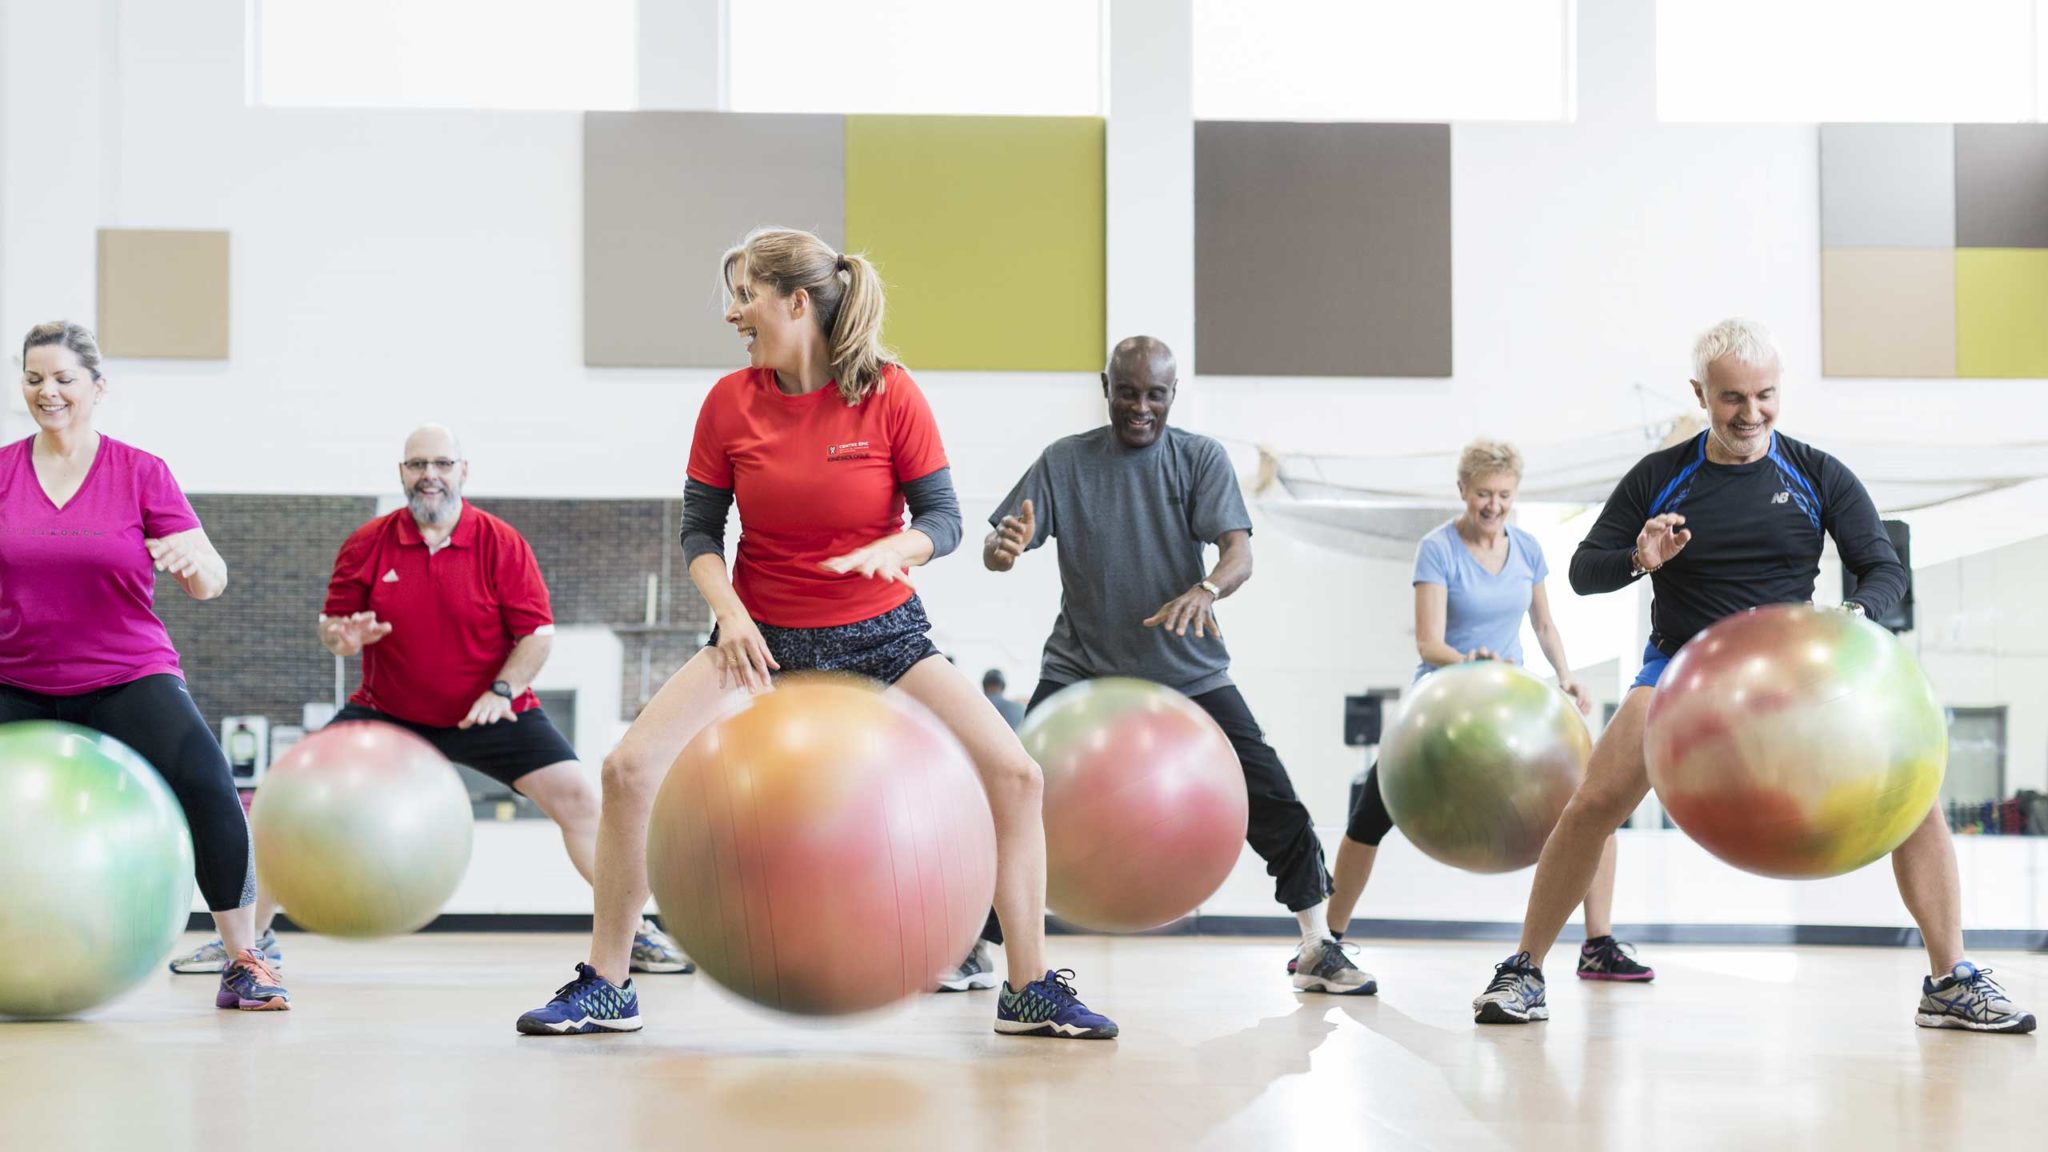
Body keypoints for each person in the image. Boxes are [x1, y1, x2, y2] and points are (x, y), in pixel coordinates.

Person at [515, 226, 1117, 1039]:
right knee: (627, 772)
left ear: (796, 302)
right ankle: (609, 984)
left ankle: (1028, 987)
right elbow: (699, 532)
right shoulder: (729, 403)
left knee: (1016, 777)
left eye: (745, 296)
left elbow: (942, 517)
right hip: (760, 635)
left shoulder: (891, 393)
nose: (733, 314)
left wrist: (898, 547)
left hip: (884, 633)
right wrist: (728, 612)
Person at [1472, 318, 2034, 1034]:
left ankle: (1950, 979)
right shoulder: (1660, 475)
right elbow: (1584, 572)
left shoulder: (1815, 471)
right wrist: (1640, 558)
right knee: (1593, 803)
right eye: (1731, 397)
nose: (1750, 413)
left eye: (1765, 395)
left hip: (1790, 678)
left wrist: (1856, 613)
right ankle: (1524, 970)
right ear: (1700, 394)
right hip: (1680, 668)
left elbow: (1884, 566)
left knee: (1913, 794)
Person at [167, 426, 690, 976]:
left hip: (489, 709)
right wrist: (344, 639)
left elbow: (536, 635)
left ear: (464, 471)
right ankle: (249, 943)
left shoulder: (500, 543)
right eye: (417, 464)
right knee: (283, 802)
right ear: (401, 474)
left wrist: (502, 690)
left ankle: (633, 933)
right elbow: (332, 628)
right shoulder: (368, 543)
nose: (430, 475)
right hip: (388, 712)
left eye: (442, 463)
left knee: (581, 802)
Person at [949, 335, 1372, 997]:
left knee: (1273, 797)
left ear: (1174, 394)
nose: (1141, 407)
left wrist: (1205, 589)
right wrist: (1003, 549)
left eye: (1156, 395)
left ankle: (1318, 943)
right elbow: (1001, 548)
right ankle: (978, 946)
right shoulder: (1065, 462)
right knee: (1014, 797)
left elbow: (1239, 553)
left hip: (1188, 667)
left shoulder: (1198, 458)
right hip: (1081, 665)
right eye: (1128, 392)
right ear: (1105, 385)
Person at [0, 321, 287, 1011]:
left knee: (209, 782)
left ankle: (245, 957)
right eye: (35, 379)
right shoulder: (4, 470)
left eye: (64, 378)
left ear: (98, 387)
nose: (49, 392)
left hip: (126, 673)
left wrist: (195, 566)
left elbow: (211, 576)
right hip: (16, 675)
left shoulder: (139, 472)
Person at [1319, 439, 1652, 988]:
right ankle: (1324, 942)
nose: (1492, 505)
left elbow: (1544, 625)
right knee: (1370, 816)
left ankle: (1598, 943)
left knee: (1596, 802)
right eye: (1482, 494)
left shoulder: (1526, 550)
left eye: (1502, 495)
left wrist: (1565, 674)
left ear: (1514, 494)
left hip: (1512, 708)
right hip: (1441, 707)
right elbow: (1429, 642)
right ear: (1462, 491)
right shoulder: (1437, 549)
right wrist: (1467, 659)